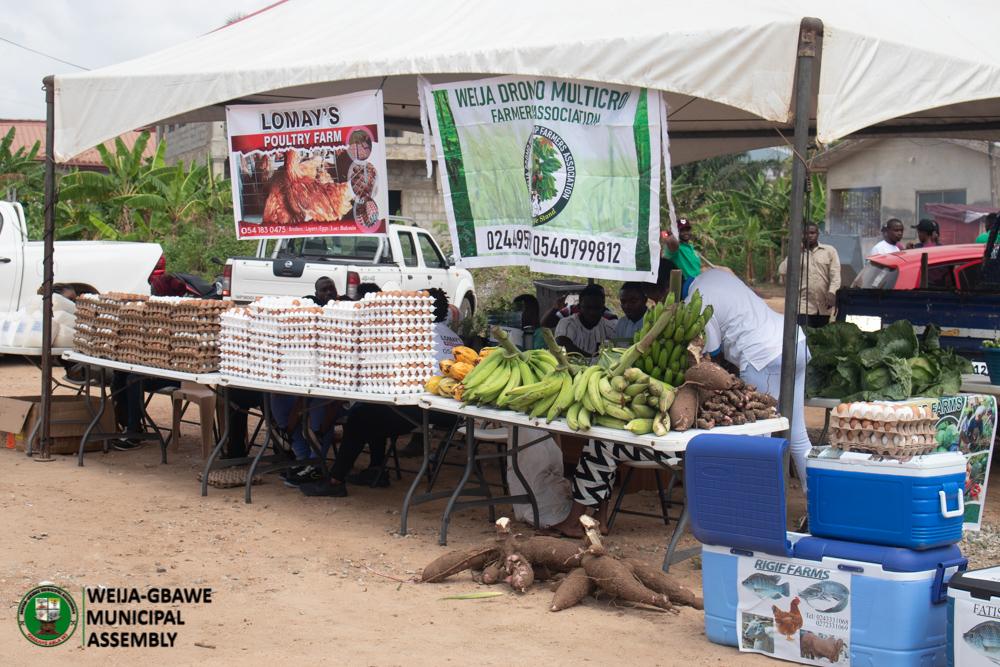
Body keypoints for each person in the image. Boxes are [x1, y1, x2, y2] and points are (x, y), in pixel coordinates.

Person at [549, 269, 813, 538]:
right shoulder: (712, 276)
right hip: (795, 341)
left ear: (661, 292)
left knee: (757, 444)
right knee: (798, 436)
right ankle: (815, 512)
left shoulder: (697, 300)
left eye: (654, 299)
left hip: (762, 355)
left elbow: (706, 356)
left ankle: (756, 520)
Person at [301, 288, 459, 496]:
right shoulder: (454, 339)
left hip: (423, 408)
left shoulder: (416, 337)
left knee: (360, 416)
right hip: (450, 411)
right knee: (373, 410)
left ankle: (335, 480)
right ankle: (375, 469)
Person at [778, 223, 841, 329]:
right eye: (806, 233)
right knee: (804, 337)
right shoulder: (797, 252)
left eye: (812, 233)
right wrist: (796, 251)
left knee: (820, 339)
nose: (809, 236)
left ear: (818, 234)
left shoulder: (829, 251)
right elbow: (782, 270)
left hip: (824, 306)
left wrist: (832, 292)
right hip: (803, 306)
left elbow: (835, 275)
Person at [554, 284, 616, 357]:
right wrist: (591, 360)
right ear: (579, 307)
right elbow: (562, 343)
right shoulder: (567, 323)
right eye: (588, 307)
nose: (592, 312)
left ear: (603, 308)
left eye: (597, 308)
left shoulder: (610, 327)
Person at [662, 218, 702, 285]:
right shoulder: (675, 247)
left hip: (698, 282)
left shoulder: (691, 247)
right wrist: (670, 233)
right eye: (682, 230)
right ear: (676, 232)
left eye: (687, 230)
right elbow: (669, 240)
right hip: (685, 283)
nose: (685, 233)